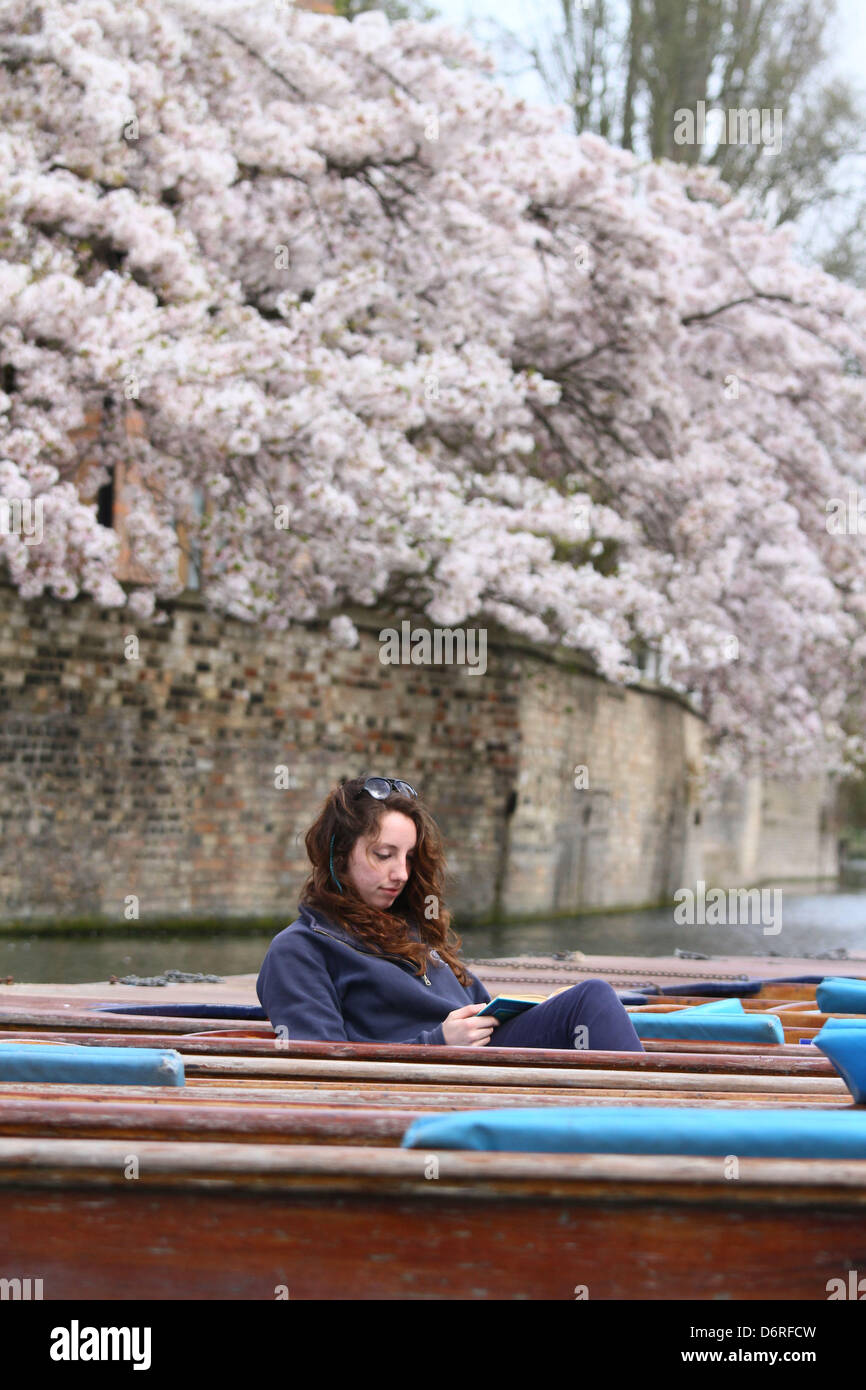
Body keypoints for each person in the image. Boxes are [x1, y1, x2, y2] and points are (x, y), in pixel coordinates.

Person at [256, 775, 644, 1052]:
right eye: (383, 855)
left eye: (408, 858)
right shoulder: (300, 950)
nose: (401, 874)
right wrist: (438, 1043)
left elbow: (482, 1008)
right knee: (590, 999)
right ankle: (659, 1132)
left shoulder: (415, 934)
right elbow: (317, 1065)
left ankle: (646, 1131)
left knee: (583, 1004)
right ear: (339, 858)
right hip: (432, 1083)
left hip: (479, 1065)